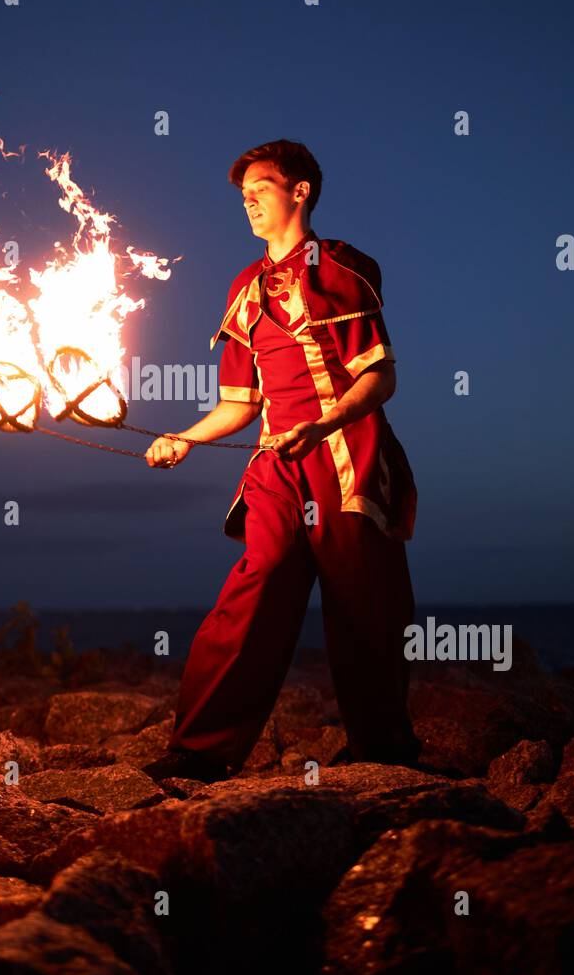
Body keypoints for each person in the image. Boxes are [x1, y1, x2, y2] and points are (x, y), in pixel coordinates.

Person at [143, 138, 420, 782]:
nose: (248, 201)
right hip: (276, 464)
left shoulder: (341, 271)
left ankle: (383, 752)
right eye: (243, 194)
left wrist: (324, 422)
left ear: (300, 191)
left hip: (345, 453)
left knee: (363, 602)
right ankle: (200, 751)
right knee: (255, 582)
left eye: (261, 188)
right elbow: (238, 403)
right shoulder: (244, 289)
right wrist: (185, 438)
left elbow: (379, 378)